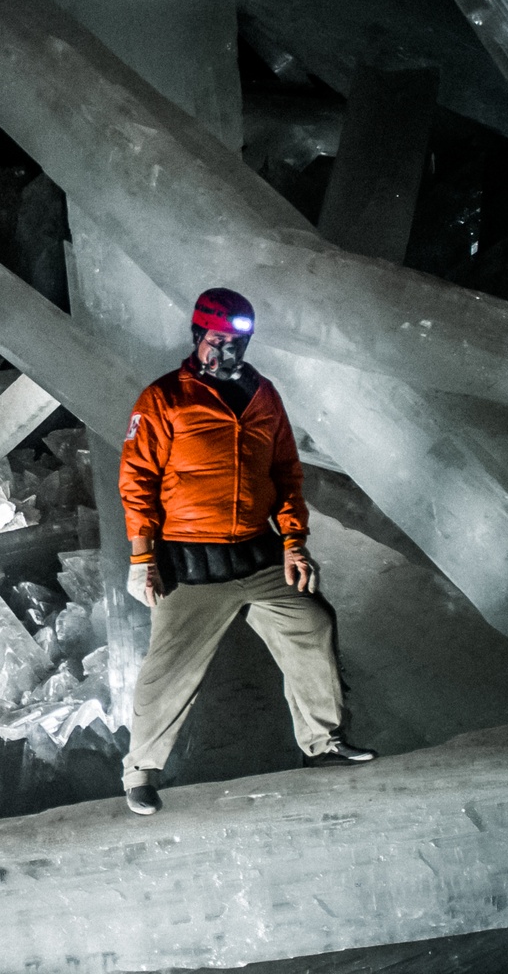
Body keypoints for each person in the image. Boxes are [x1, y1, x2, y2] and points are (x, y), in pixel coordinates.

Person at [117, 288, 374, 817]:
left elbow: (285, 473)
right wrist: (143, 556)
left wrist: (294, 542)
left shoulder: (263, 396)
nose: (228, 352)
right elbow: (137, 479)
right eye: (218, 341)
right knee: (169, 669)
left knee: (311, 622)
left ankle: (323, 745)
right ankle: (140, 773)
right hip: (189, 564)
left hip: (257, 557)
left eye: (238, 342)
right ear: (197, 338)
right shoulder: (164, 398)